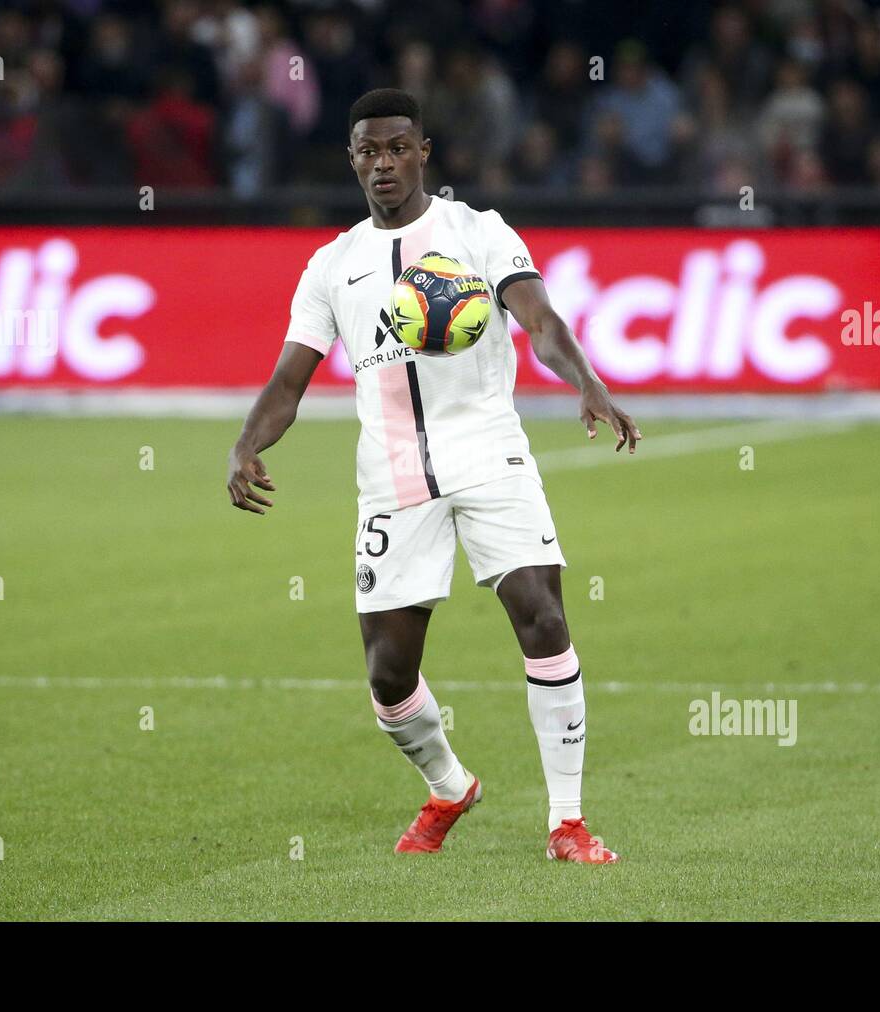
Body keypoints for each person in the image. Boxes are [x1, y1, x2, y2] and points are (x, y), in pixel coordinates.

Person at [227, 89, 641, 863]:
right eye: (367, 152)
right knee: (389, 679)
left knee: (541, 613)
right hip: (392, 474)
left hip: (487, 448)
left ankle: (568, 823)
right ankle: (451, 785)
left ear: (424, 151)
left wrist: (585, 379)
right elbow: (290, 381)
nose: (382, 163)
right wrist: (246, 444)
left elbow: (540, 320)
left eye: (396, 148)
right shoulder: (332, 265)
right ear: (352, 160)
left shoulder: (477, 233)